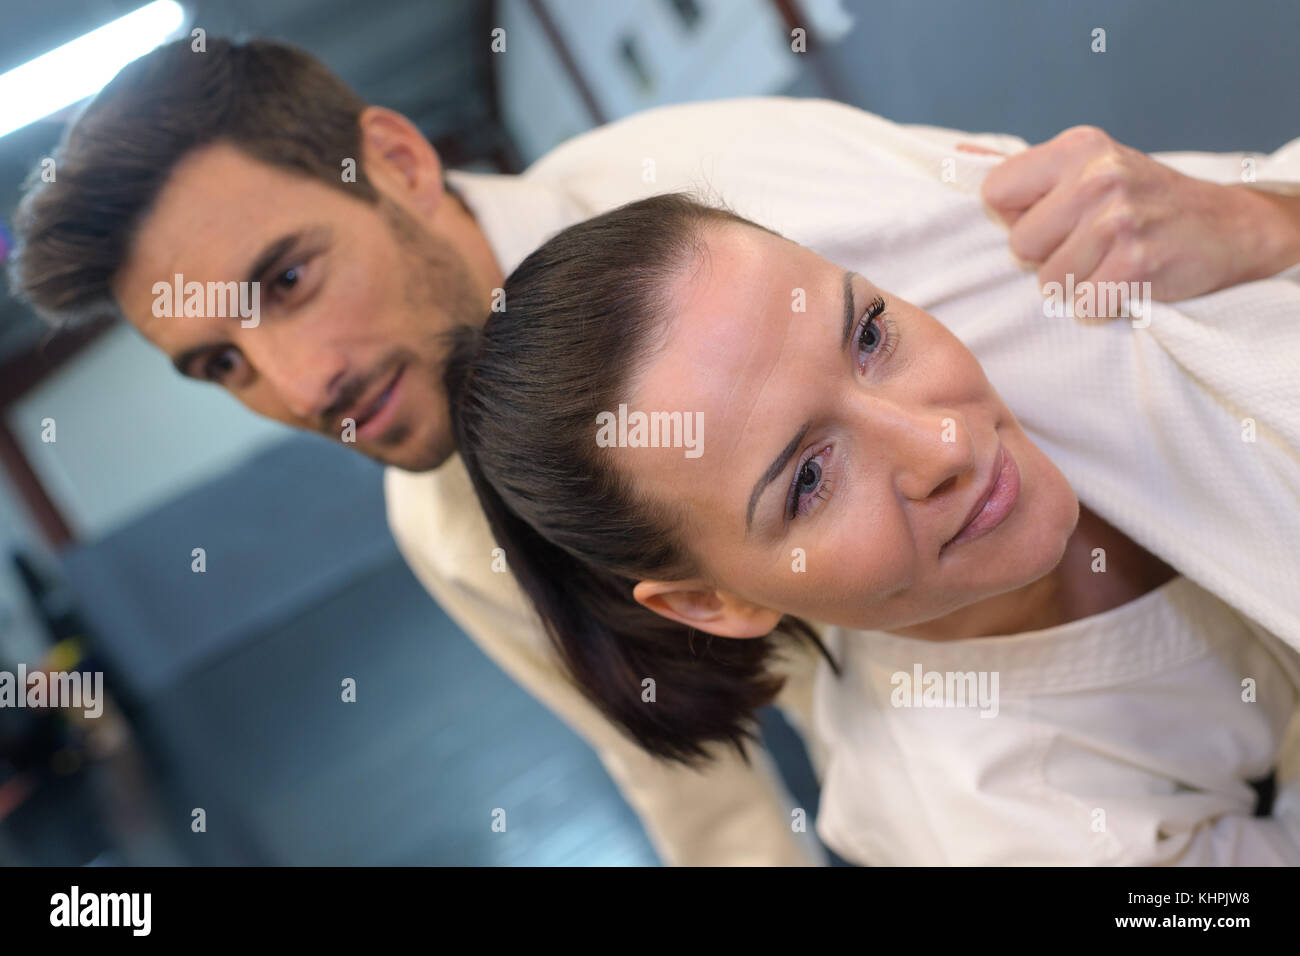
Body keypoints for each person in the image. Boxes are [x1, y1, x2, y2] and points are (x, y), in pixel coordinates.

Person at [8, 37, 1300, 865]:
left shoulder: (726, 181)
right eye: (220, 365)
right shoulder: (454, 539)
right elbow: (698, 798)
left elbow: (1186, 245)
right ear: (701, 599)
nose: (299, 385)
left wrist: (1262, 216)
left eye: (287, 278)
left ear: (396, 162)